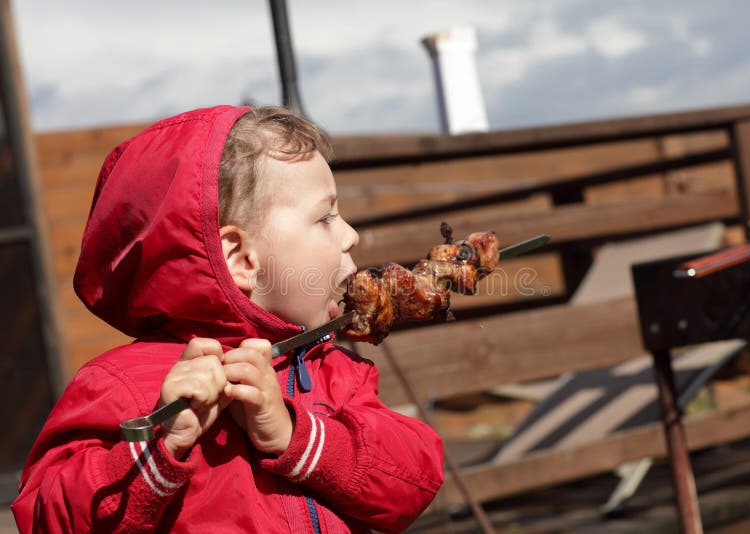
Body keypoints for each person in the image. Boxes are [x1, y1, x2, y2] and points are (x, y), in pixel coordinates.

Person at [12, 105, 444, 533]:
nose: (351, 234)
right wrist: (159, 449)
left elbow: (414, 482)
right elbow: (48, 518)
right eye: (325, 216)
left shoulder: (333, 372)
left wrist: (297, 436)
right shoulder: (123, 385)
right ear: (242, 258)